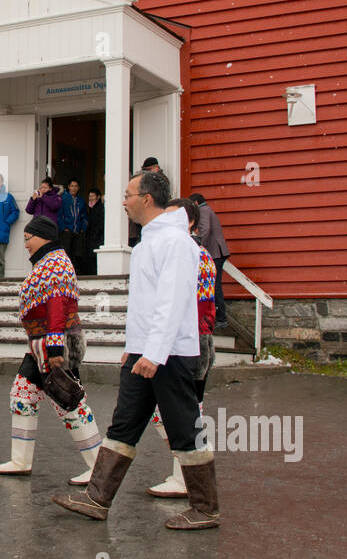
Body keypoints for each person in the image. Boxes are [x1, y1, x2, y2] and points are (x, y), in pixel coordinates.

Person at [53, 170, 219, 529]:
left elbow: (172, 302)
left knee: (185, 428)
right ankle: (97, 498)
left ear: (147, 199)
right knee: (124, 424)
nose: (122, 201)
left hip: (168, 355)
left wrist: (154, 353)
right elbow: (145, 305)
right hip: (145, 355)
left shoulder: (175, 243)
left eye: (127, 194)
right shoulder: (148, 244)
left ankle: (205, 509)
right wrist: (134, 348)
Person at [0, 215, 102, 485]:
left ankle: (99, 467)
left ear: (43, 237)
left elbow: (57, 306)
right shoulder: (48, 263)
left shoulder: (55, 265)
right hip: (41, 345)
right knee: (21, 395)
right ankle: (20, 460)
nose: (25, 244)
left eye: (28, 238)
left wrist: (53, 349)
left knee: (70, 400)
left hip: (55, 344)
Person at [146, 198, 216, 498]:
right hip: (180, 339)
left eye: (174, 218)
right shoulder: (184, 252)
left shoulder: (193, 255)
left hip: (190, 341)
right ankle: (190, 467)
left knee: (184, 411)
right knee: (175, 411)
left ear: (189, 223)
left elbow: (180, 304)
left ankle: (191, 469)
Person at [190, 192, 230, 323]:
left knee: (215, 285)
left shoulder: (203, 211)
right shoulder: (207, 210)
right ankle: (219, 316)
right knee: (215, 284)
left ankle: (221, 317)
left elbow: (205, 230)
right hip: (218, 251)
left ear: (195, 203)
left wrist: (199, 245)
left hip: (215, 252)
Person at [58, 178, 88, 272]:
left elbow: (84, 216)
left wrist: (83, 228)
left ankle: (75, 273)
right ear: (68, 187)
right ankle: (65, 272)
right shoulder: (63, 199)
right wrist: (64, 228)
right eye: (72, 186)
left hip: (77, 231)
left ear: (78, 188)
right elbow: (59, 215)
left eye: (76, 186)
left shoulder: (81, 201)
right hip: (66, 231)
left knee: (77, 254)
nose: (74, 188)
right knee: (66, 252)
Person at [83, 187, 104, 277]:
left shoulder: (99, 208)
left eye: (93, 196)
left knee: (93, 257)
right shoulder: (91, 208)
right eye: (89, 196)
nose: (91, 198)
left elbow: (100, 223)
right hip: (91, 237)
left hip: (96, 238)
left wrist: (95, 235)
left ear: (98, 197)